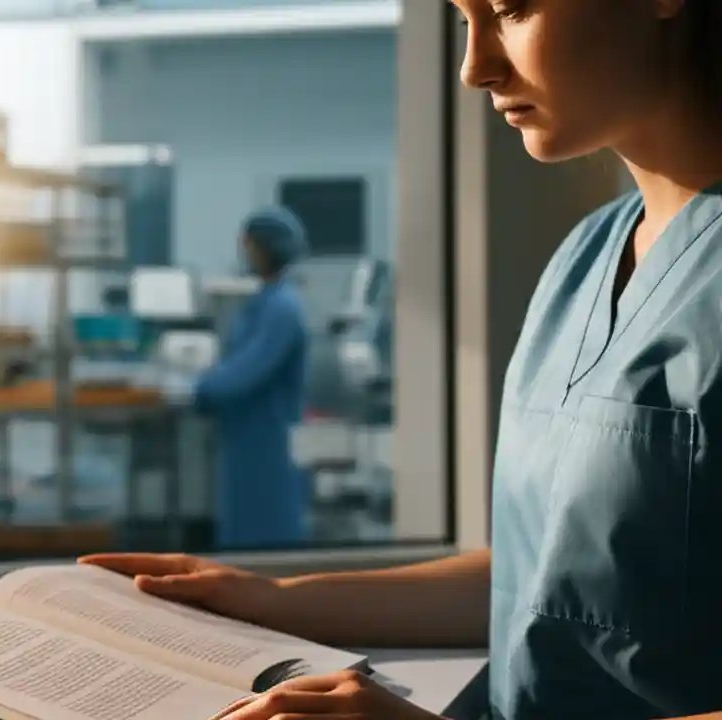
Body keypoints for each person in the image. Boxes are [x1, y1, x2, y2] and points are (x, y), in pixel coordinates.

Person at [83, 0, 722, 717]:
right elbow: (553, 580)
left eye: (509, 10)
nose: (474, 68)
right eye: (465, 24)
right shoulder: (585, 256)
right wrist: (269, 600)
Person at [194, 207, 310, 550]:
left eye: (248, 244)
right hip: (246, 437)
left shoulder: (282, 309)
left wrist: (200, 389)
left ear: (263, 248)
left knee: (266, 544)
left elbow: (247, 371)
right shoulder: (265, 302)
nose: (244, 251)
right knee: (244, 536)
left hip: (266, 442)